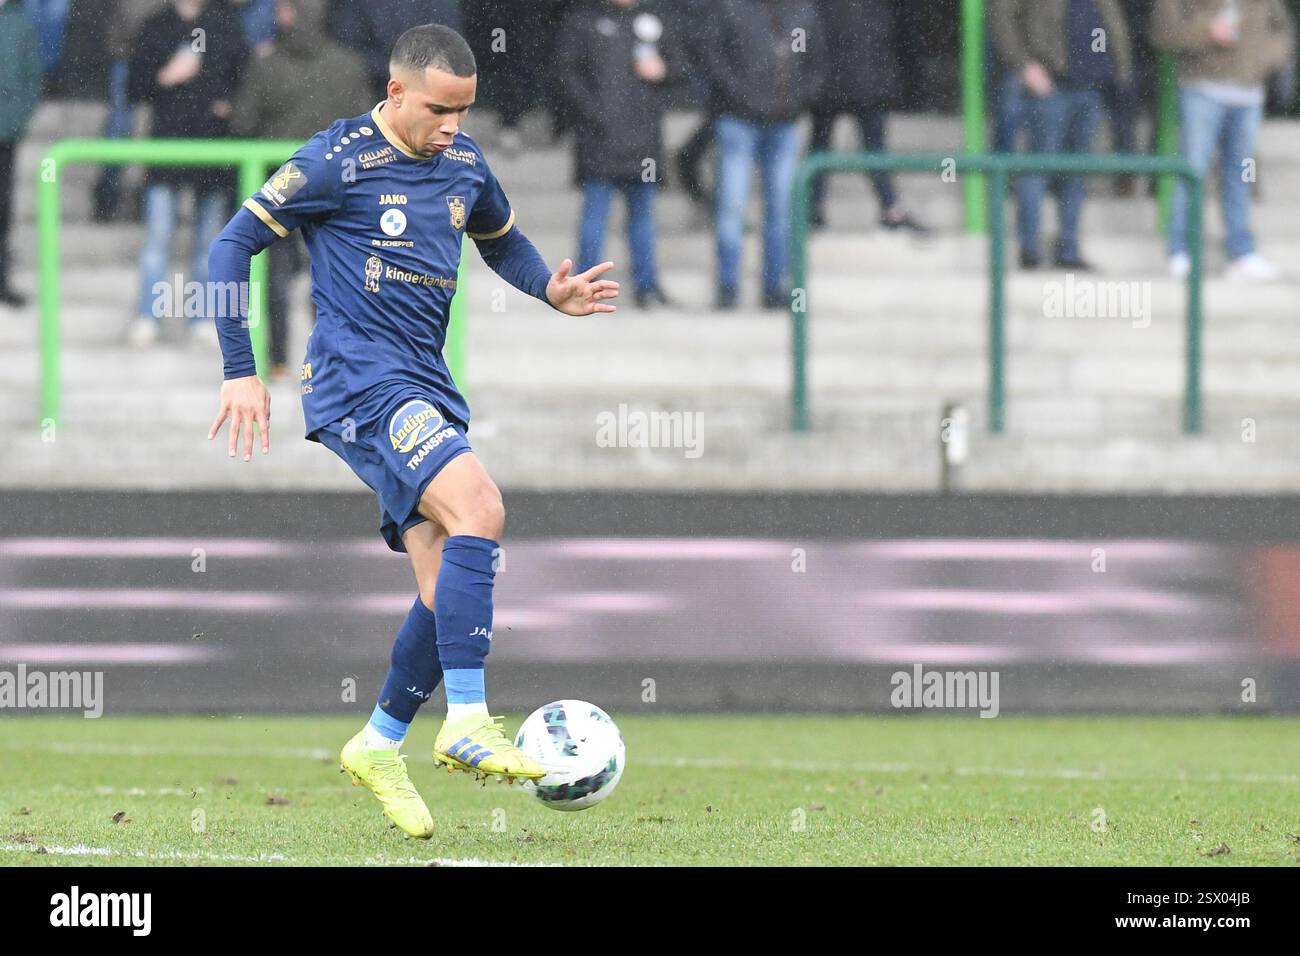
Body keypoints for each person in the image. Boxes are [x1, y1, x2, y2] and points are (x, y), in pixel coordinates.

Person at [206, 23, 619, 838]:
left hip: (423, 383)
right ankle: (466, 720)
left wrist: (550, 290)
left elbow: (502, 241)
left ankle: (381, 739)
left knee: (443, 582)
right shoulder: (336, 159)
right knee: (482, 509)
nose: (452, 127)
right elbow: (230, 247)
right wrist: (238, 367)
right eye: (438, 110)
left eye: (463, 111)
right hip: (357, 380)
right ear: (395, 93)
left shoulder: (463, 164)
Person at [231, 0, 370, 376]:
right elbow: (364, 128)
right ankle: (332, 361)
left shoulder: (266, 64)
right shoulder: (349, 65)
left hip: (284, 183)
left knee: (276, 275)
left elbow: (242, 124)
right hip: (336, 186)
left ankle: (277, 361)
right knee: (332, 276)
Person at [127, 0, 247, 346]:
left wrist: (228, 103)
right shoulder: (156, 25)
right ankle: (147, 315)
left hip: (212, 149)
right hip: (166, 149)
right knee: (158, 238)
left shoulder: (224, 22)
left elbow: (245, 77)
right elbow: (132, 87)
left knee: (209, 241)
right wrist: (165, 77)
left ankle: (203, 318)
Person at [1153, 0, 1294, 281]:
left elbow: (1283, 32)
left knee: (1241, 174)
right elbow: (1162, 33)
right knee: (1192, 172)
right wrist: (1208, 32)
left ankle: (1241, 253)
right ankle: (1180, 251)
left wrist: (1263, 58)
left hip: (1249, 93)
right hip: (1201, 90)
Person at [700, 0, 825, 310]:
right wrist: (738, 96)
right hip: (737, 121)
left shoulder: (802, 13)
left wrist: (797, 100)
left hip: (783, 124)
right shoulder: (731, 8)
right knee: (732, 207)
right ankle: (727, 288)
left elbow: (817, 64)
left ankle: (774, 288)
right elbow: (712, 56)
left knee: (781, 210)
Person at [990, 0, 1133, 271]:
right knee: (1039, 166)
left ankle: (1069, 250)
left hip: (1091, 85)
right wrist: (1024, 66)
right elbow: (1001, 14)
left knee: (1076, 171)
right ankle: (1030, 250)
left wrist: (1118, 72)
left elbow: (1112, 25)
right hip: (1052, 83)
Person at [555, 0, 675, 309]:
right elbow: (566, 73)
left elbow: (684, 66)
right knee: (595, 214)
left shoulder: (653, 20)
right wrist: (594, 115)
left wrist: (665, 70)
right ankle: (583, 287)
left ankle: (647, 288)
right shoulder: (583, 21)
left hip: (644, 140)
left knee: (643, 217)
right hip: (600, 140)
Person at [807, 0, 927, 235]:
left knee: (831, 146)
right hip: (854, 78)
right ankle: (889, 209)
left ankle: (814, 209)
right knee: (858, 147)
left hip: (852, 78)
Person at [0, 0, 42, 308]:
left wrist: (11, 123)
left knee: (3, 209)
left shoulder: (20, 24)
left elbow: (31, 81)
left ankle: (2, 279)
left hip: (4, 136)